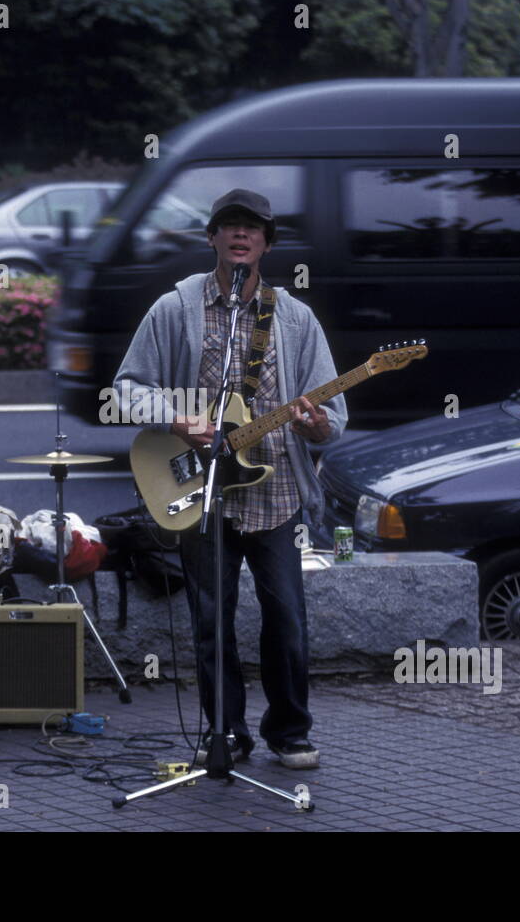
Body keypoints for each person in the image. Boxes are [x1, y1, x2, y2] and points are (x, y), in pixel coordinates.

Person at [114, 189, 347, 769]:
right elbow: (126, 389)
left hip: (276, 493)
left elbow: (333, 421)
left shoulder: (294, 318)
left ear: (267, 243)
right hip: (203, 492)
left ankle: (290, 731)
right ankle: (227, 732)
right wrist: (176, 420)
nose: (240, 235)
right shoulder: (175, 309)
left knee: (287, 616)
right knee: (211, 620)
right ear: (212, 237)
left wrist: (317, 427)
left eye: (252, 228)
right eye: (229, 226)